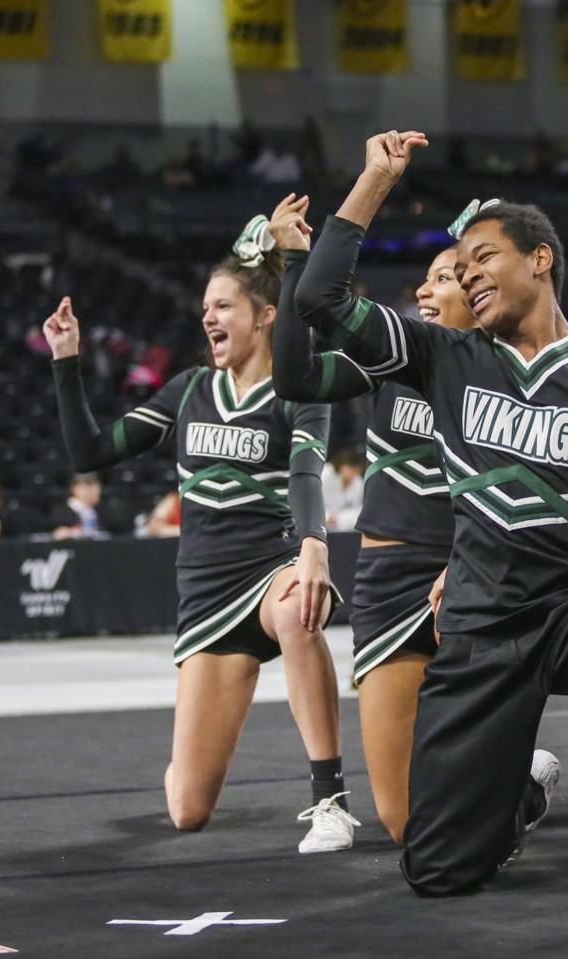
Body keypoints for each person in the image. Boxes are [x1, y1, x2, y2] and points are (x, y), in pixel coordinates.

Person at [287, 130, 568, 911]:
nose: (466, 274)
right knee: (434, 868)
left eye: (482, 257)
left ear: (539, 260)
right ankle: (516, 791)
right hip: (478, 624)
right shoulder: (444, 357)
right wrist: (372, 182)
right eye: (458, 267)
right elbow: (318, 301)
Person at [44, 200, 355, 854]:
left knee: (300, 605)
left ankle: (329, 798)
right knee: (188, 808)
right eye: (205, 307)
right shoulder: (188, 391)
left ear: (267, 315)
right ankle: (188, 759)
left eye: (223, 306)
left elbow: (304, 475)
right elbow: (91, 453)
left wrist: (311, 545)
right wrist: (66, 361)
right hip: (207, 598)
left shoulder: (298, 389)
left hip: (266, 572)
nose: (208, 316)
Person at [273, 195, 560, 851]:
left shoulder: (507, 374)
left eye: (445, 278)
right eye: (427, 279)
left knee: (467, 823)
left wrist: (472, 568)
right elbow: (293, 376)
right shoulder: (396, 358)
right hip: (391, 578)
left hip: (478, 577)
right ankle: (517, 782)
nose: (427, 290)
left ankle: (497, 777)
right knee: (405, 822)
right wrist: (295, 264)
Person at [49, 473, 108, 539]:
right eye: (88, 486)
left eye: (96, 486)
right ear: (74, 489)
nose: (94, 491)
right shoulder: (61, 512)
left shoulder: (104, 511)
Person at [322, 449, 364, 531]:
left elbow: (357, 510)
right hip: (319, 523)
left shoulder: (358, 482)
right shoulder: (325, 474)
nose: (353, 472)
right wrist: (326, 516)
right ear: (341, 465)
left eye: (356, 470)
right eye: (350, 468)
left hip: (340, 527)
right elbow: (312, 501)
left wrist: (339, 519)